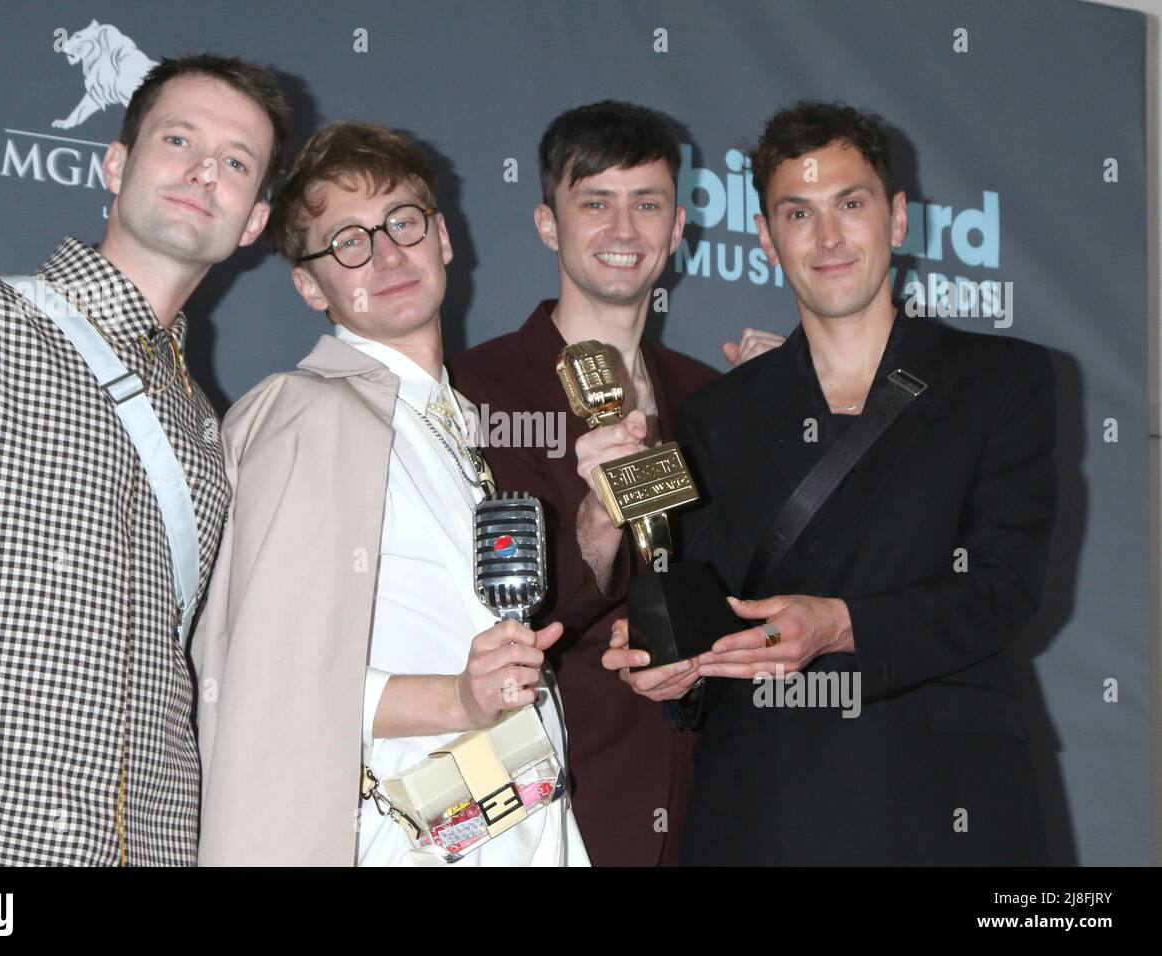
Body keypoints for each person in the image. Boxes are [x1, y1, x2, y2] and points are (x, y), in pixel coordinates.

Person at [0, 55, 287, 865]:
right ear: (117, 163)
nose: (205, 170)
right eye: (179, 139)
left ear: (254, 222)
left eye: (237, 163)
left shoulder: (203, 430)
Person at [606, 101, 1055, 865]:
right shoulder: (716, 416)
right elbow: (711, 609)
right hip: (766, 805)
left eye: (851, 204)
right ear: (767, 240)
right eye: (798, 213)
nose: (828, 237)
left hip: (948, 800)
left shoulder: (998, 381)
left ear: (900, 218)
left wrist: (840, 624)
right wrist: (668, 663)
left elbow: (1003, 588)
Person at [193, 121, 588, 866]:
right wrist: (459, 700)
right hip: (391, 841)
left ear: (442, 239)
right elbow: (270, 675)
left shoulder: (450, 424)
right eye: (348, 240)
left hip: (511, 830)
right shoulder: (306, 411)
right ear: (310, 284)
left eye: (402, 222)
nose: (385, 253)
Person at [450, 102, 781, 865]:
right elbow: (483, 609)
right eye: (595, 203)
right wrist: (600, 521)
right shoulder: (473, 388)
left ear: (676, 229)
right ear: (546, 222)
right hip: (545, 802)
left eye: (647, 204)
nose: (624, 231)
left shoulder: (713, 398)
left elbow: (757, 594)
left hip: (708, 801)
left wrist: (792, 416)